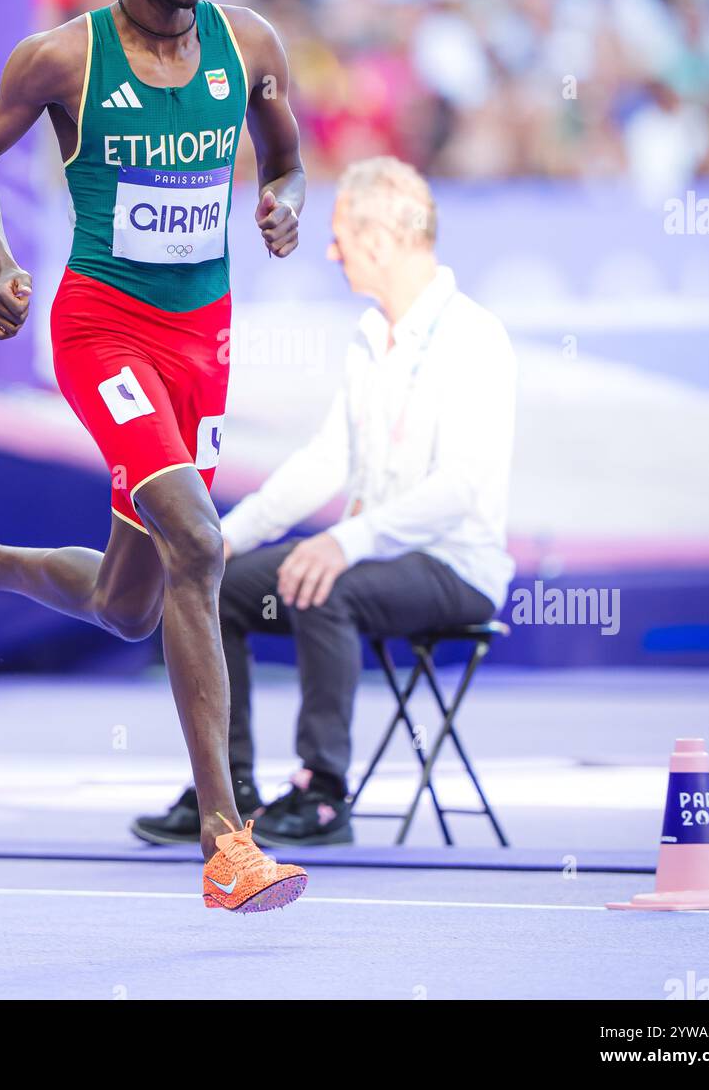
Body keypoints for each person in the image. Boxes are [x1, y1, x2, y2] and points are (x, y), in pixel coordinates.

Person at [0, 0, 309, 913]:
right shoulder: (63, 60)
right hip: (102, 335)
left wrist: (284, 201)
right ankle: (227, 837)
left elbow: (287, 154)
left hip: (203, 343)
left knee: (130, 603)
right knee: (200, 541)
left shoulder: (250, 43)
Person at [133, 156, 517, 846]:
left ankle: (322, 792)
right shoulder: (370, 336)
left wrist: (347, 540)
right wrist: (224, 537)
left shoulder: (473, 337)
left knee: (322, 585)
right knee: (211, 587)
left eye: (340, 234)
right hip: (376, 556)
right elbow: (325, 461)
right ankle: (226, 784)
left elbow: (458, 490)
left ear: (377, 240)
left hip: (455, 566)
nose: (332, 249)